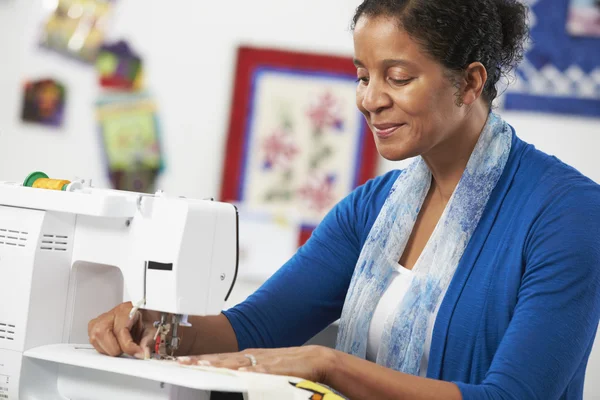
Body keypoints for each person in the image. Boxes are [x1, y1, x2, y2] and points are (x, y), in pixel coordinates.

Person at [87, 0, 600, 398]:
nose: (369, 99)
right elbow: (251, 327)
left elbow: (512, 396)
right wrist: (155, 328)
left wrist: (328, 364)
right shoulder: (370, 212)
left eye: (397, 78)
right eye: (362, 75)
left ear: (469, 82)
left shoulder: (568, 215)